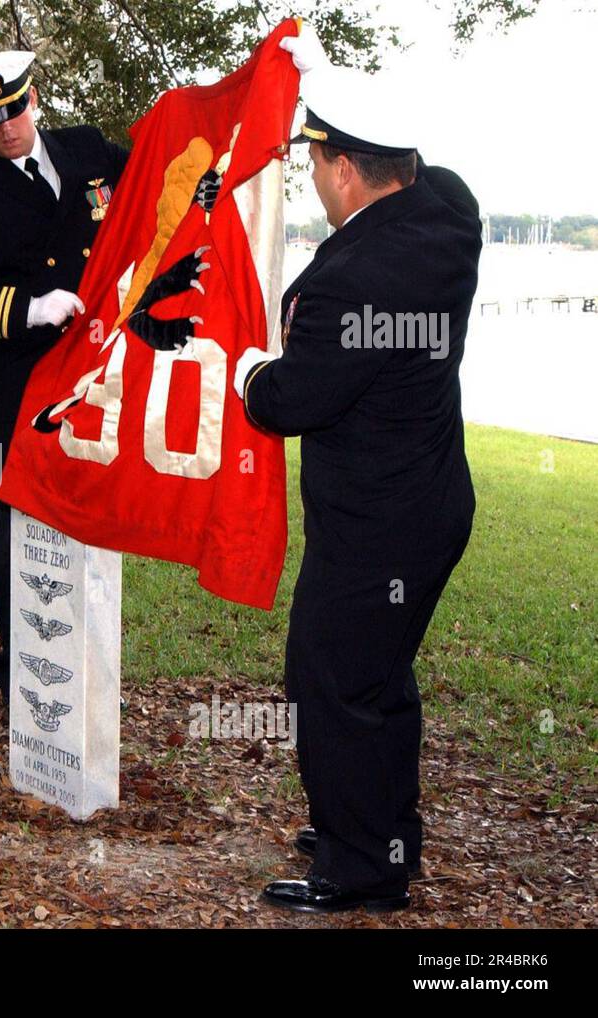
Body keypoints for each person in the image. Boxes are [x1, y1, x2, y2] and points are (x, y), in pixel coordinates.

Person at [234, 29, 481, 913]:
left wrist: (249, 371)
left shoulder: (360, 281)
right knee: (378, 676)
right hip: (430, 505)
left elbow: (289, 402)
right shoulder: (450, 211)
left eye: (315, 162)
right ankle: (377, 824)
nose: (311, 177)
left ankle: (362, 866)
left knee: (329, 678)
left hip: (379, 526)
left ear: (342, 169)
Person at [0, 51, 129, 704]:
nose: (7, 127)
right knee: (24, 510)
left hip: (99, 371)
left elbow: (159, 179)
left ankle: (87, 661)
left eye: (14, 110)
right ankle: (23, 672)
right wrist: (26, 308)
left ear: (32, 98)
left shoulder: (88, 149)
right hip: (21, 376)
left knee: (93, 510)